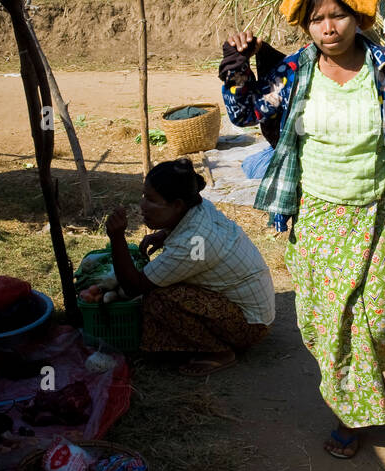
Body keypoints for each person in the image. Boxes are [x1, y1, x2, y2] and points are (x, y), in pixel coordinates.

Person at [220, 0, 385, 459]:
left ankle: (354, 409)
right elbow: (247, 113)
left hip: (375, 213)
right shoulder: (294, 72)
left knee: (370, 320)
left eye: (338, 16)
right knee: (325, 321)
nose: (328, 28)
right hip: (315, 216)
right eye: (317, 20)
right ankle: (357, 409)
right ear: (306, 27)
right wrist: (236, 65)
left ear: (359, 17)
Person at [104, 159, 275, 376]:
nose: (142, 206)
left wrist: (117, 237)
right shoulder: (198, 206)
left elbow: (133, 287)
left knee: (158, 298)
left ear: (177, 205)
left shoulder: (194, 242)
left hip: (249, 326)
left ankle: (219, 353)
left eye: (151, 200)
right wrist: (164, 234)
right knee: (161, 289)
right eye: (144, 196)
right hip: (255, 311)